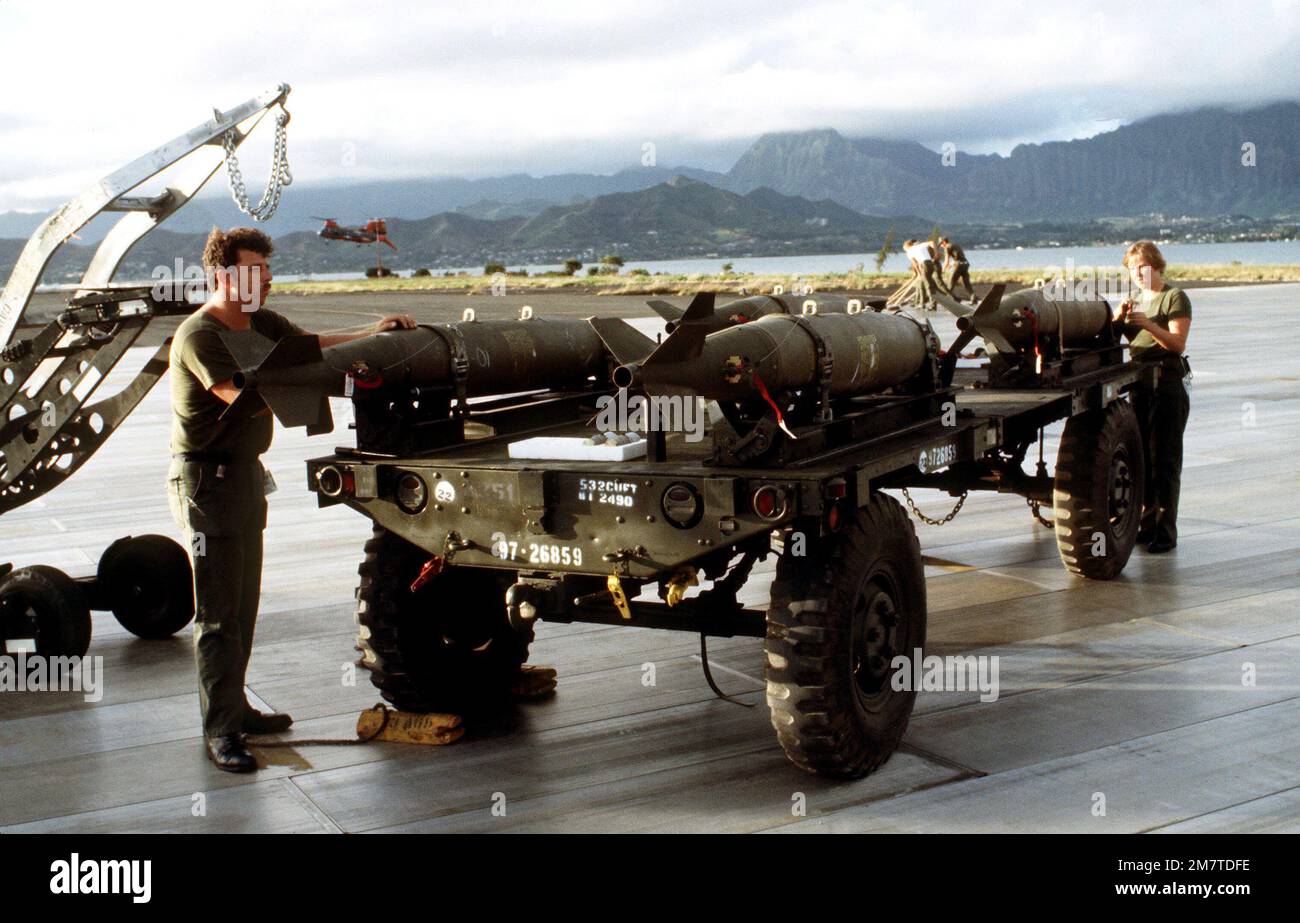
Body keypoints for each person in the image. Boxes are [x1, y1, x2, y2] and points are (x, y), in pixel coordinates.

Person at [169, 227, 415, 772]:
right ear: (221, 276)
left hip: (242, 478)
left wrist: (370, 333)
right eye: (254, 271)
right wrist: (313, 383)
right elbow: (240, 396)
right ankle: (222, 732)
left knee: (245, 608)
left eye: (266, 270)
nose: (266, 279)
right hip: (205, 483)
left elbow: (310, 346)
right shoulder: (199, 336)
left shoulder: (263, 324)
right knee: (217, 616)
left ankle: (236, 709)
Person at [1117, 240, 1191, 554]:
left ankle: (1165, 531)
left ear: (1157, 267)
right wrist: (1118, 321)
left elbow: (1177, 343)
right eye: (1133, 269)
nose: (1138, 274)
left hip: (1167, 385)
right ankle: (1146, 526)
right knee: (1142, 460)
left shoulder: (1174, 297)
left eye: (1143, 268)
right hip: (1141, 386)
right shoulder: (1137, 300)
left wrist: (1147, 323)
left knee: (1165, 460)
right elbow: (1128, 341)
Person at [940, 237, 975, 302]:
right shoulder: (956, 245)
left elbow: (946, 260)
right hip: (965, 264)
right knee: (966, 283)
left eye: (941, 244)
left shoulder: (947, 247)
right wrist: (951, 264)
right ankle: (973, 297)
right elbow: (960, 257)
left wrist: (942, 270)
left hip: (958, 265)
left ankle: (949, 300)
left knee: (951, 282)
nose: (941, 246)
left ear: (944, 242)